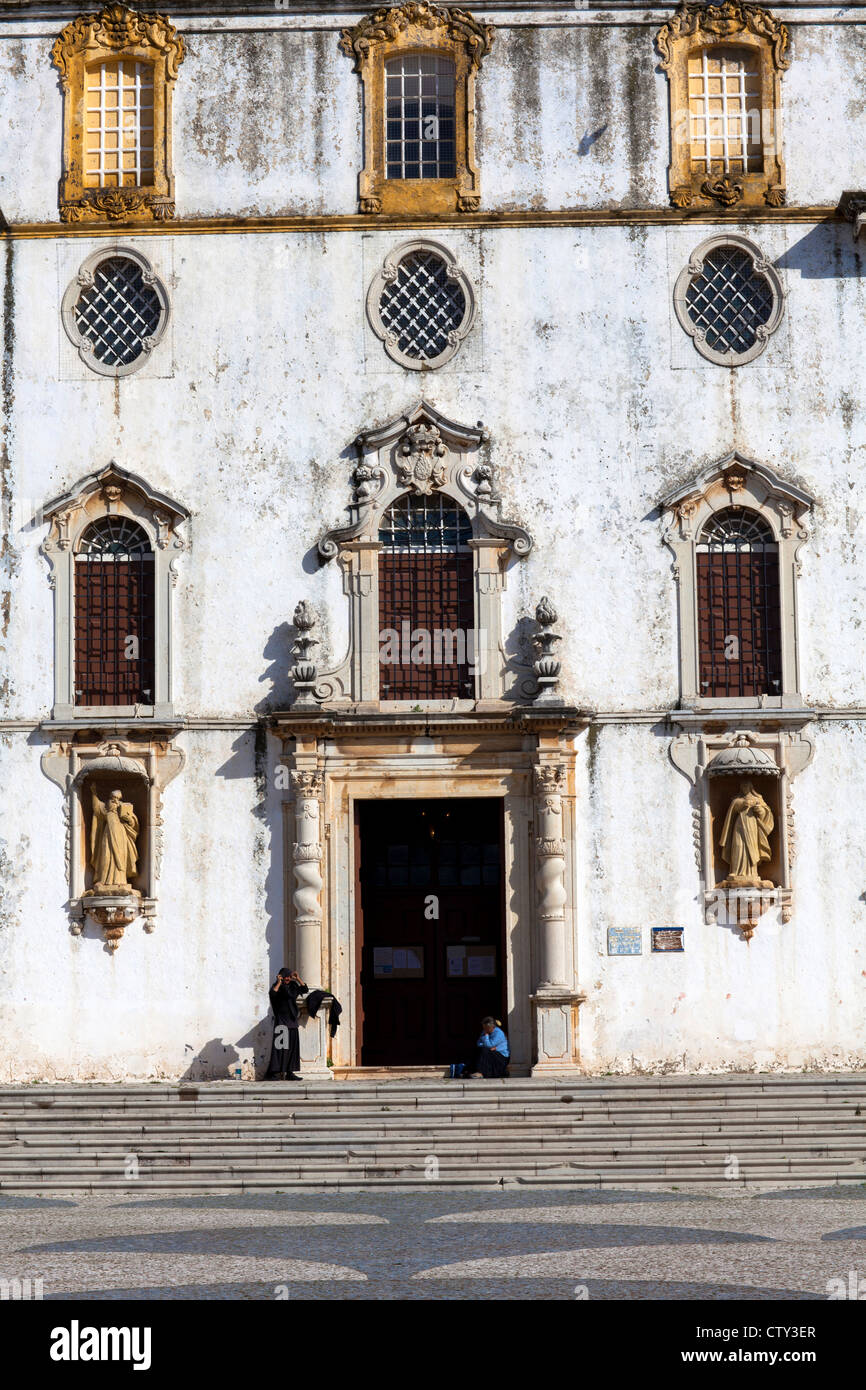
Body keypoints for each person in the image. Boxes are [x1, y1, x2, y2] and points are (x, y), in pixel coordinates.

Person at [266, 967, 308, 1081]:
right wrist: (279, 982)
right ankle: (273, 1073)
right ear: (281, 977)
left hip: (292, 1021)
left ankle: (290, 1072)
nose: (288, 979)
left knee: (292, 1049)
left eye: (289, 976)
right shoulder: (277, 988)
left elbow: (305, 989)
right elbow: (273, 994)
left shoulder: (293, 987)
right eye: (285, 977)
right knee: (279, 1049)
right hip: (282, 1022)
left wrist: (298, 978)